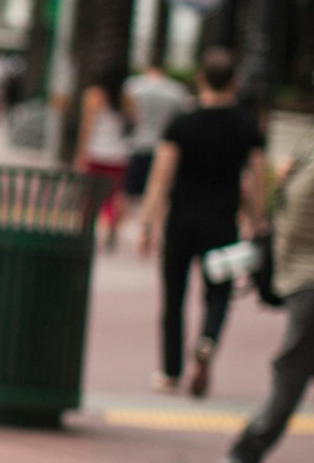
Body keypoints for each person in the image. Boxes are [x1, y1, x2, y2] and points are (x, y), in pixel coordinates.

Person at [139, 49, 267, 396]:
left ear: (200, 79)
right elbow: (256, 179)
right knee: (219, 293)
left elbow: (162, 175)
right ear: (234, 82)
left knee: (174, 296)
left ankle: (169, 372)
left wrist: (148, 223)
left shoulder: (182, 122)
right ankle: (207, 340)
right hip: (222, 223)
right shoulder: (246, 124)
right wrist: (258, 222)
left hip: (181, 221)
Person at [208, 150, 314, 463]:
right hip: (300, 279)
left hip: (308, 281)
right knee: (291, 366)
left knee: (291, 366)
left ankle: (247, 450)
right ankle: (247, 451)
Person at [74, 60, 131, 247]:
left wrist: (81, 154)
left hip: (96, 152)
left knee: (90, 194)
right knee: (114, 195)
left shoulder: (93, 95)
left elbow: (86, 127)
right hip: (118, 154)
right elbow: (134, 123)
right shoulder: (127, 97)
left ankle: (85, 230)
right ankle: (112, 231)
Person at [122, 60, 186, 212]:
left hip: (138, 144)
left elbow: (128, 115)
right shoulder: (175, 90)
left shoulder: (132, 86)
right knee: (160, 191)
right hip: (162, 146)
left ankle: (116, 230)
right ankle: (153, 228)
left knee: (127, 194)